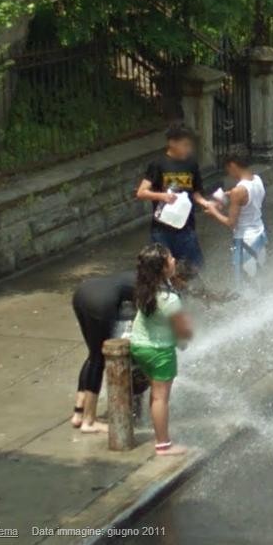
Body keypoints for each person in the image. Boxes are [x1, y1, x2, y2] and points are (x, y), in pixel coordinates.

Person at [129, 244, 194, 456]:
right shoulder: (169, 299)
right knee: (161, 397)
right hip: (160, 352)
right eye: (170, 259)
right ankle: (163, 444)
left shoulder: (143, 288)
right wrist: (185, 339)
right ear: (162, 268)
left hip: (139, 346)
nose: (174, 260)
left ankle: (158, 432)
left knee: (156, 394)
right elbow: (182, 329)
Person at [136, 122, 211, 271]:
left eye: (190, 145)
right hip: (161, 230)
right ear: (172, 143)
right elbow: (141, 192)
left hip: (186, 227)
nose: (188, 149)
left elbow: (196, 193)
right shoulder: (158, 164)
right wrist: (162, 196)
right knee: (163, 269)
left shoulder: (191, 164)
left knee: (195, 268)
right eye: (185, 145)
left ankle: (193, 292)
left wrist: (206, 204)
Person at [70, 272, 134, 433]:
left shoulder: (141, 273)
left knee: (93, 354)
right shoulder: (154, 287)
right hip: (101, 302)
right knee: (99, 359)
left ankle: (78, 413)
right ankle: (89, 421)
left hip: (83, 293)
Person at [203, 153, 267, 286]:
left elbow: (231, 223)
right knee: (259, 277)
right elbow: (246, 199)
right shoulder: (257, 179)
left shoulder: (238, 191)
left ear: (233, 165)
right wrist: (231, 196)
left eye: (227, 169)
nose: (228, 173)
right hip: (260, 234)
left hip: (245, 240)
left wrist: (214, 211)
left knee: (246, 283)